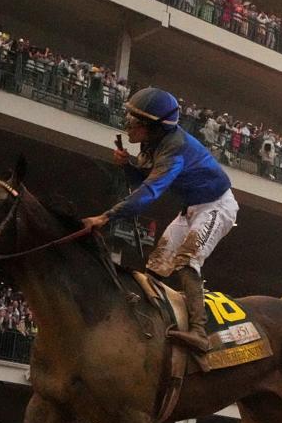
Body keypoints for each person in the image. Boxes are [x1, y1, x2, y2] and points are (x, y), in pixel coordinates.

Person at [82, 87, 237, 355]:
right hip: (191, 208)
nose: (128, 126)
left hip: (217, 206)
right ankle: (152, 317)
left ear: (153, 127)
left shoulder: (173, 150)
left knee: (186, 261)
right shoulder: (152, 144)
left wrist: (106, 217)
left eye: (134, 122)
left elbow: (149, 193)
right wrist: (128, 166)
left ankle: (199, 332)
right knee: (156, 265)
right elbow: (143, 182)